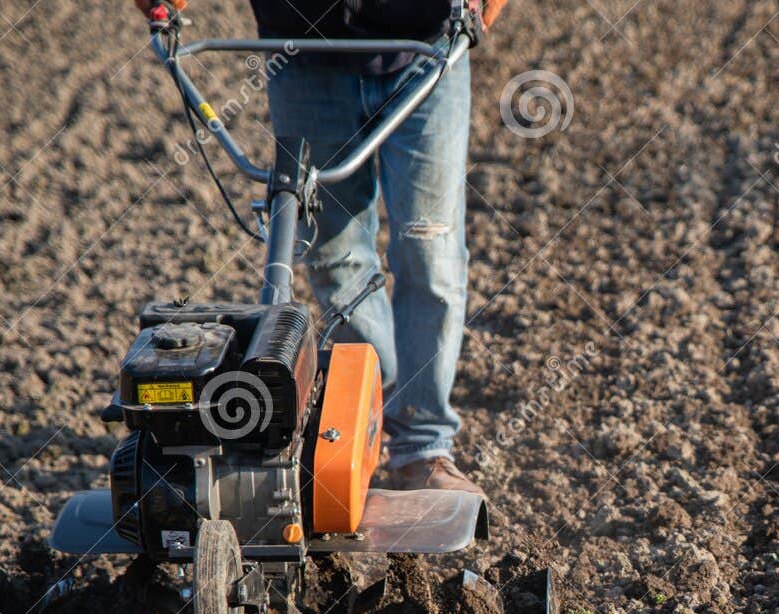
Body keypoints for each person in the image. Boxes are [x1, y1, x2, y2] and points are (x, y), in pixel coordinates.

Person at [133, 0, 506, 496]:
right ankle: (373, 406)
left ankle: (422, 447)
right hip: (303, 55)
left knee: (430, 251)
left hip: (425, 49)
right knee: (332, 254)